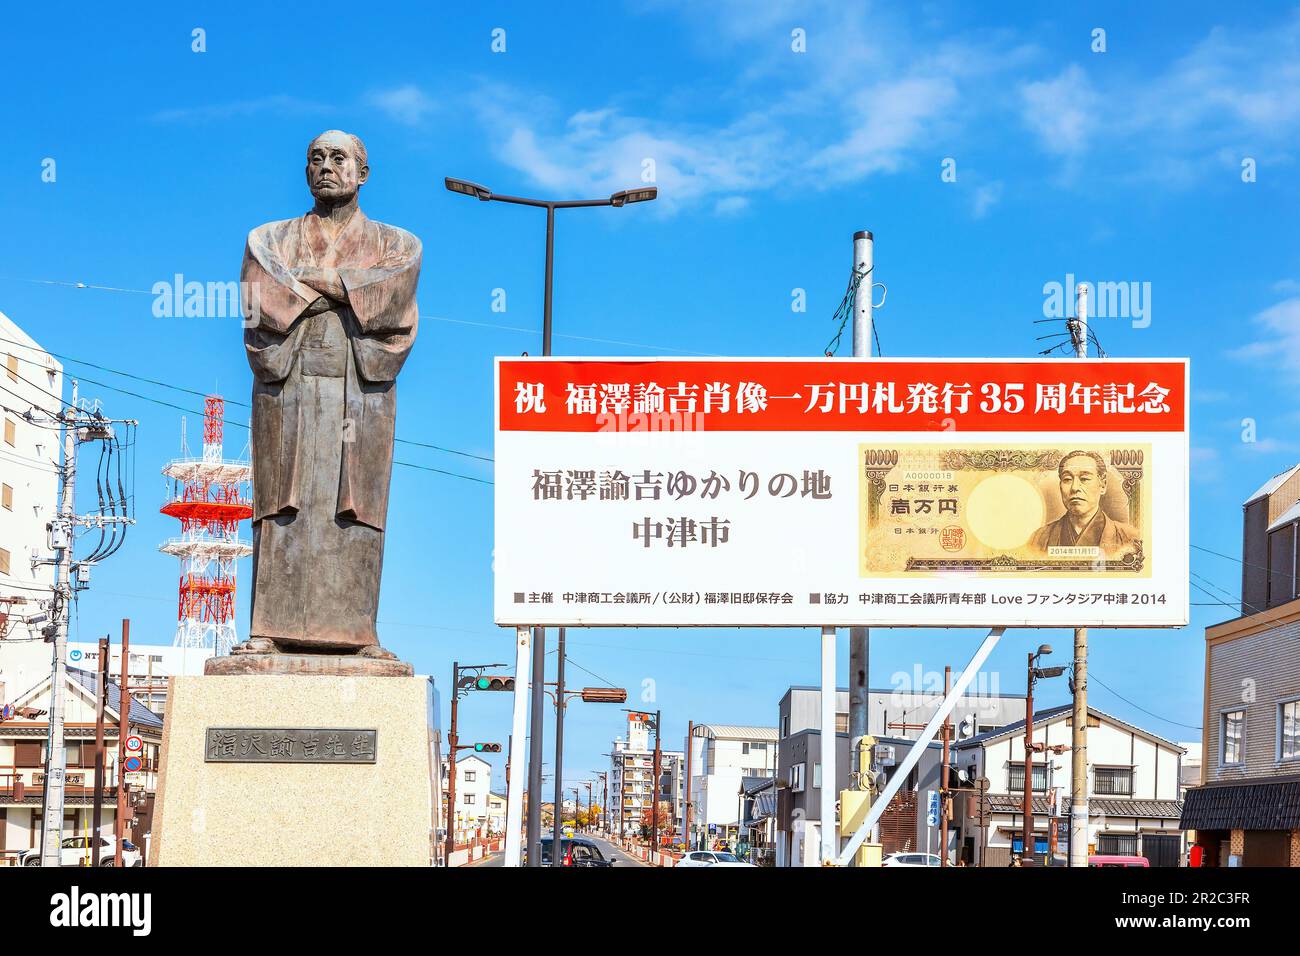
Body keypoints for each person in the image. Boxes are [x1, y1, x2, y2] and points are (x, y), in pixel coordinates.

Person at [237, 130, 421, 657]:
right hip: (288, 383)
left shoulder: (398, 244)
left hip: (360, 386)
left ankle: (358, 633)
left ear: (363, 173)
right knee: (282, 498)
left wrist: (306, 283)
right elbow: (261, 296)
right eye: (316, 158)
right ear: (305, 171)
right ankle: (268, 628)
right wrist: (350, 288)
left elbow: (391, 297)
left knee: (357, 502)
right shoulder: (268, 238)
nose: (326, 166)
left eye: (339, 158)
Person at [1027, 450, 1139, 559]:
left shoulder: (1129, 537)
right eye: (1067, 479)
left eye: (1084, 479)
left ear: (1103, 485)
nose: (1075, 487)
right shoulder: (1038, 538)